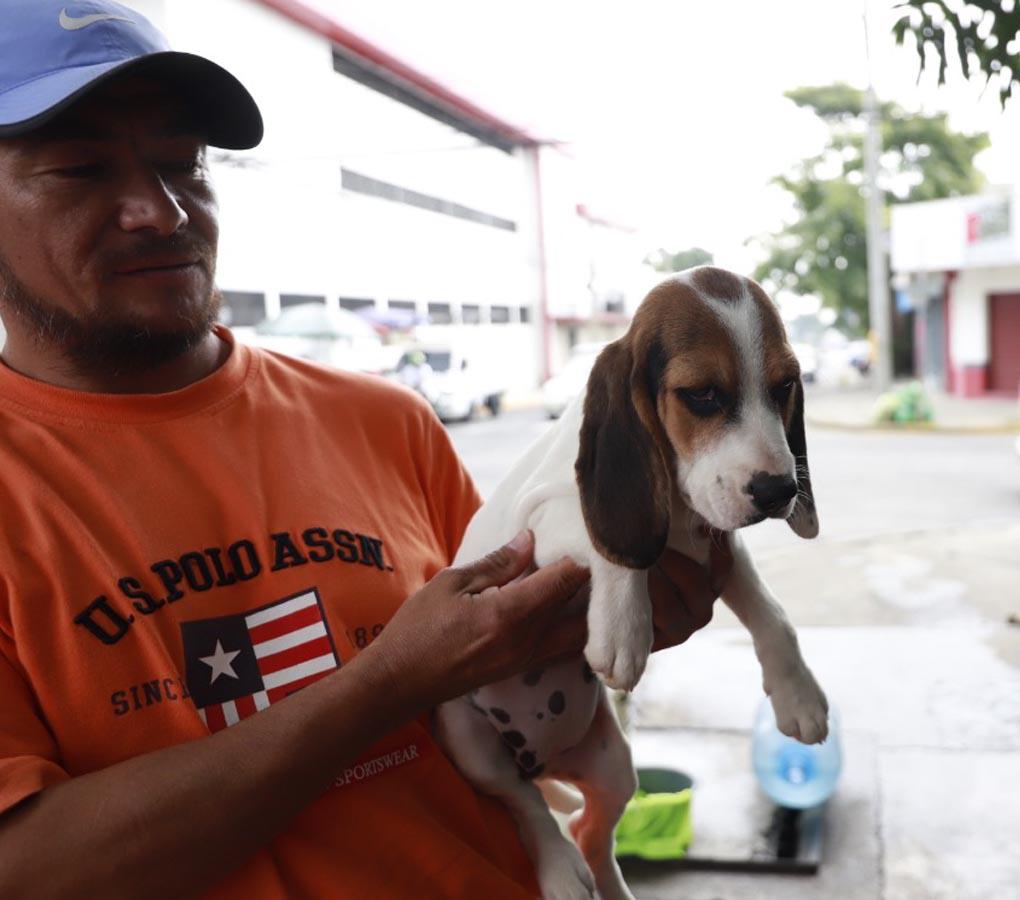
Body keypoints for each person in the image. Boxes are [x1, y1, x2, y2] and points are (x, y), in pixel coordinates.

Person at [0, 3, 728, 897]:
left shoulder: (386, 420)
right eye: (78, 169)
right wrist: (383, 684)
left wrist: (636, 597)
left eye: (183, 161)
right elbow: (26, 866)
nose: (160, 208)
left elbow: (516, 676)